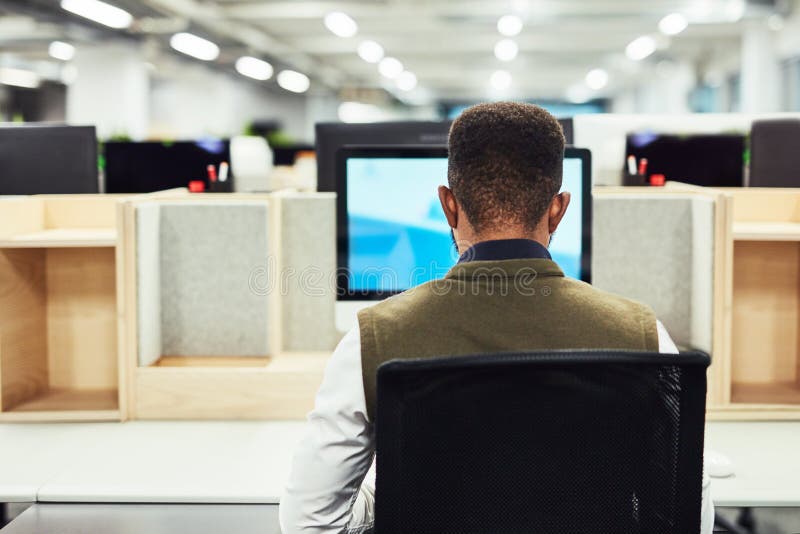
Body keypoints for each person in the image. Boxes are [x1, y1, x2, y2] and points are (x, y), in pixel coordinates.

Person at [279, 102, 713, 534]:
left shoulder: (373, 339)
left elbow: (308, 524)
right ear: (560, 209)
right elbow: (688, 518)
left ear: (448, 206)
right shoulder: (643, 336)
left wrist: (385, 499)